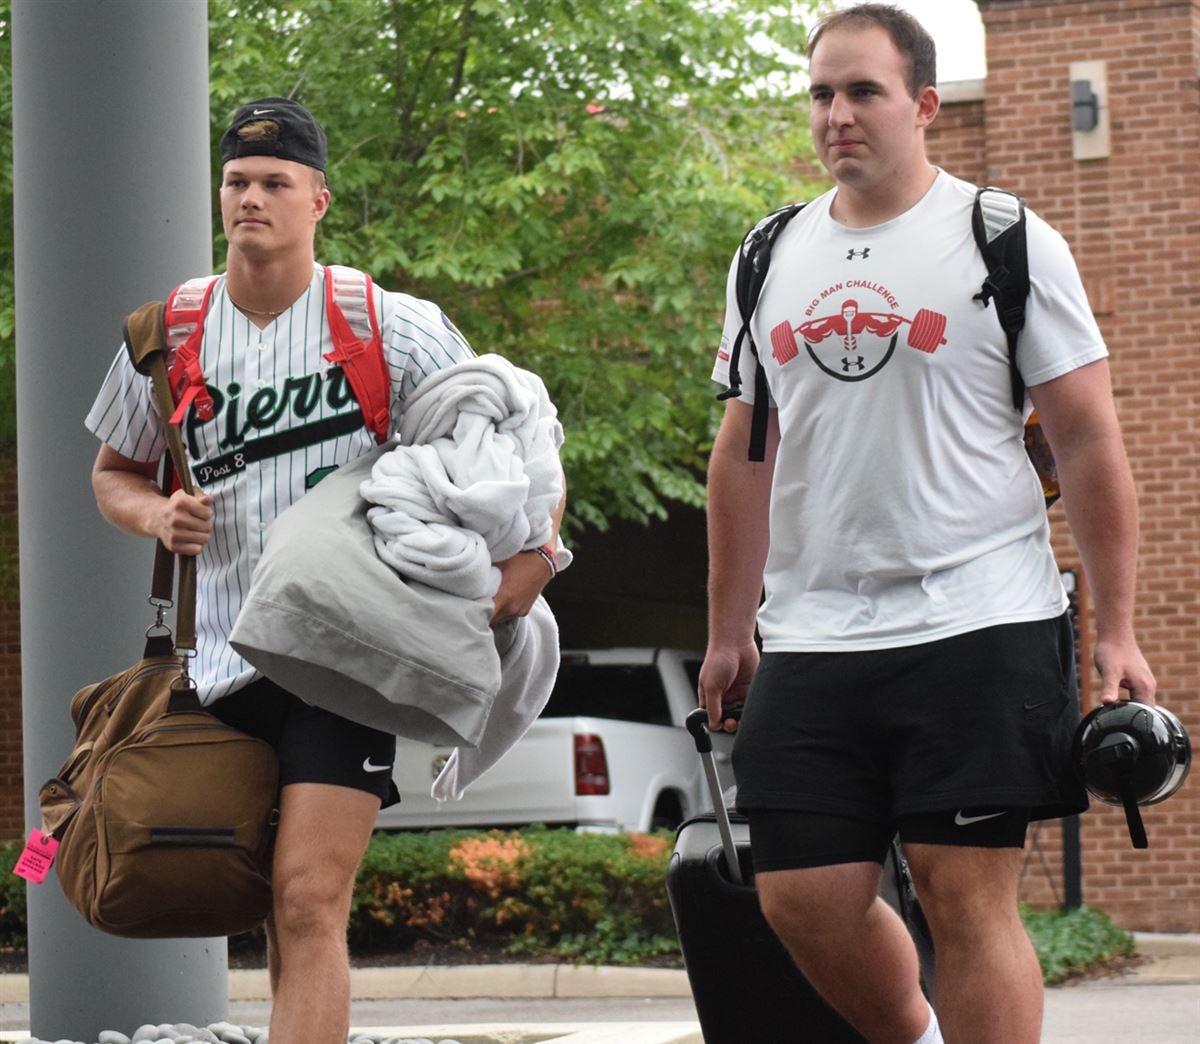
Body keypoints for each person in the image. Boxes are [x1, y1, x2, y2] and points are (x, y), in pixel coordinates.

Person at [699, 5, 1155, 1044]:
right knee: (801, 897)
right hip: (815, 631)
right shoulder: (769, 253)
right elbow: (744, 449)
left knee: (965, 899)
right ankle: (916, 1037)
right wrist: (732, 630)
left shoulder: (1002, 238)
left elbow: (1087, 442)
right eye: (822, 93)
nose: (838, 115)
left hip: (980, 618)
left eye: (864, 92)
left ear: (925, 105)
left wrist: (1118, 629)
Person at [86, 97, 563, 1044]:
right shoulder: (170, 330)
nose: (251, 198)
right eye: (236, 182)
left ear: (318, 201)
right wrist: (157, 511)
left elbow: (514, 448)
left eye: (274, 183)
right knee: (257, 900)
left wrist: (537, 559)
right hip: (220, 658)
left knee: (309, 899)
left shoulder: (388, 324)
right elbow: (113, 472)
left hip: (347, 654)